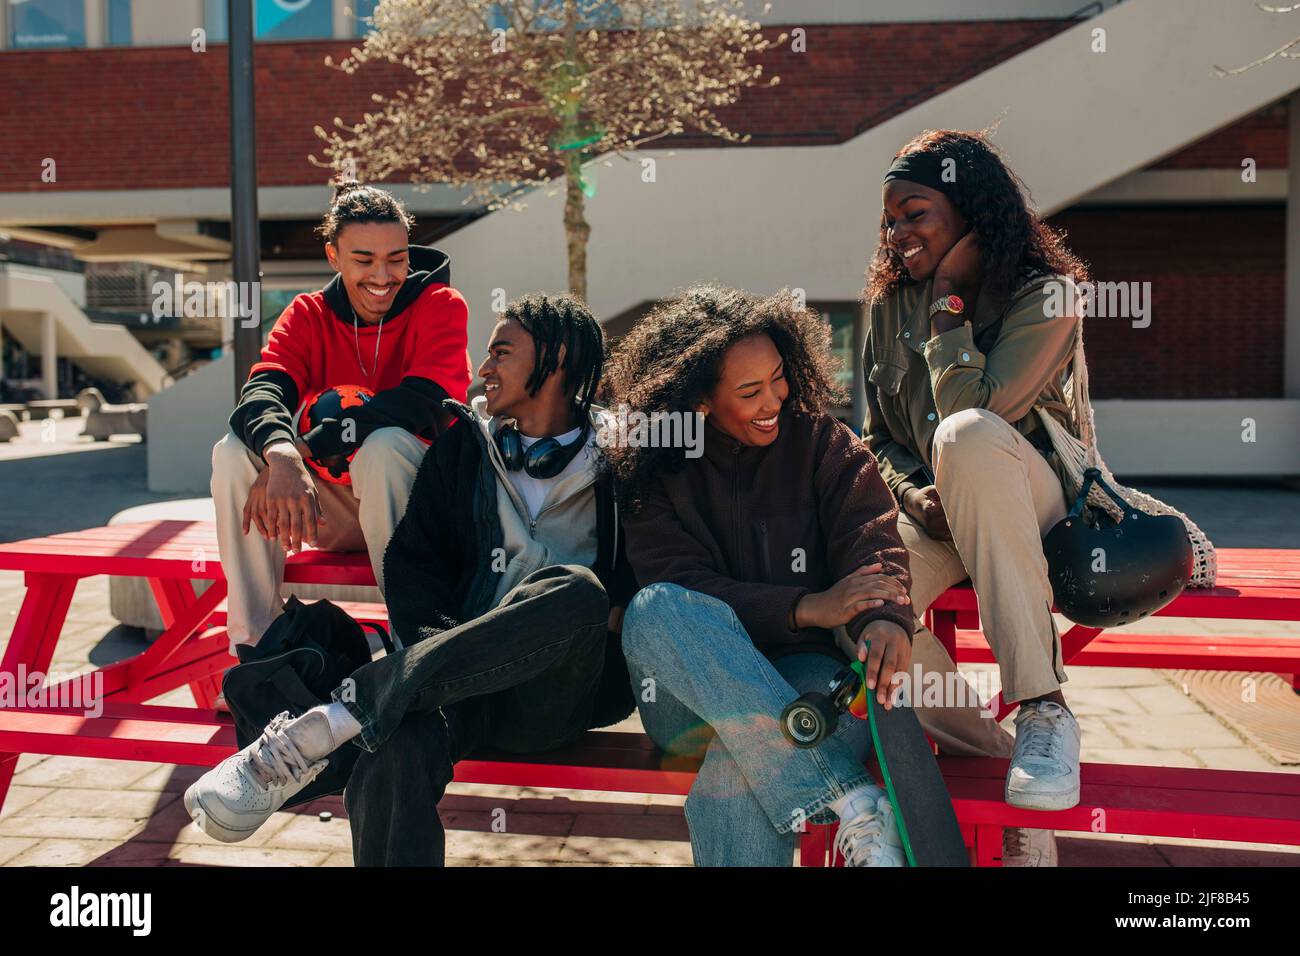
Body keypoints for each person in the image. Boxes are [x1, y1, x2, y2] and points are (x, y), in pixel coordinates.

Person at [186, 294, 636, 865]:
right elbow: (415, 566)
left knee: (576, 591)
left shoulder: (625, 454)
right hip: (457, 684)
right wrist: (441, 648)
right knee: (396, 740)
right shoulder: (464, 447)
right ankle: (356, 716)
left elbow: (648, 569)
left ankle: (334, 719)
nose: (483, 369)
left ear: (560, 357)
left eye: (501, 353)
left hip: (555, 692)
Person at [604, 284, 917, 867]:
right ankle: (848, 793)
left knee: (743, 765)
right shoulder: (653, 469)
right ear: (698, 401)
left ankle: (840, 796)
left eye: (779, 376)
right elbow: (683, 586)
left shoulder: (822, 443)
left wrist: (885, 619)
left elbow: (871, 538)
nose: (775, 398)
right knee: (654, 610)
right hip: (686, 696)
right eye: (750, 391)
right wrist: (804, 607)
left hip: (808, 680)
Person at [861, 129, 1096, 864]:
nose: (898, 232)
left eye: (917, 213)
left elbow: (980, 409)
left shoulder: (1045, 294)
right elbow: (877, 440)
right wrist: (913, 494)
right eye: (890, 219)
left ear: (968, 208)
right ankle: (996, 755)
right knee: (850, 599)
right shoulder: (886, 309)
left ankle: (1043, 710)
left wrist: (948, 307)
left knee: (965, 436)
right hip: (939, 518)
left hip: (1035, 504)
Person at [211, 180, 471, 650]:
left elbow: (425, 401)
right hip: (323, 509)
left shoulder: (439, 305)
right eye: (364, 260)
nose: (384, 275)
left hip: (417, 508)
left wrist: (300, 451)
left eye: (396, 258)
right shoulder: (308, 314)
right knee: (232, 452)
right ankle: (256, 649)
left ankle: (413, 650)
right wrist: (278, 450)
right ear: (333, 256)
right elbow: (262, 390)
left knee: (386, 444)